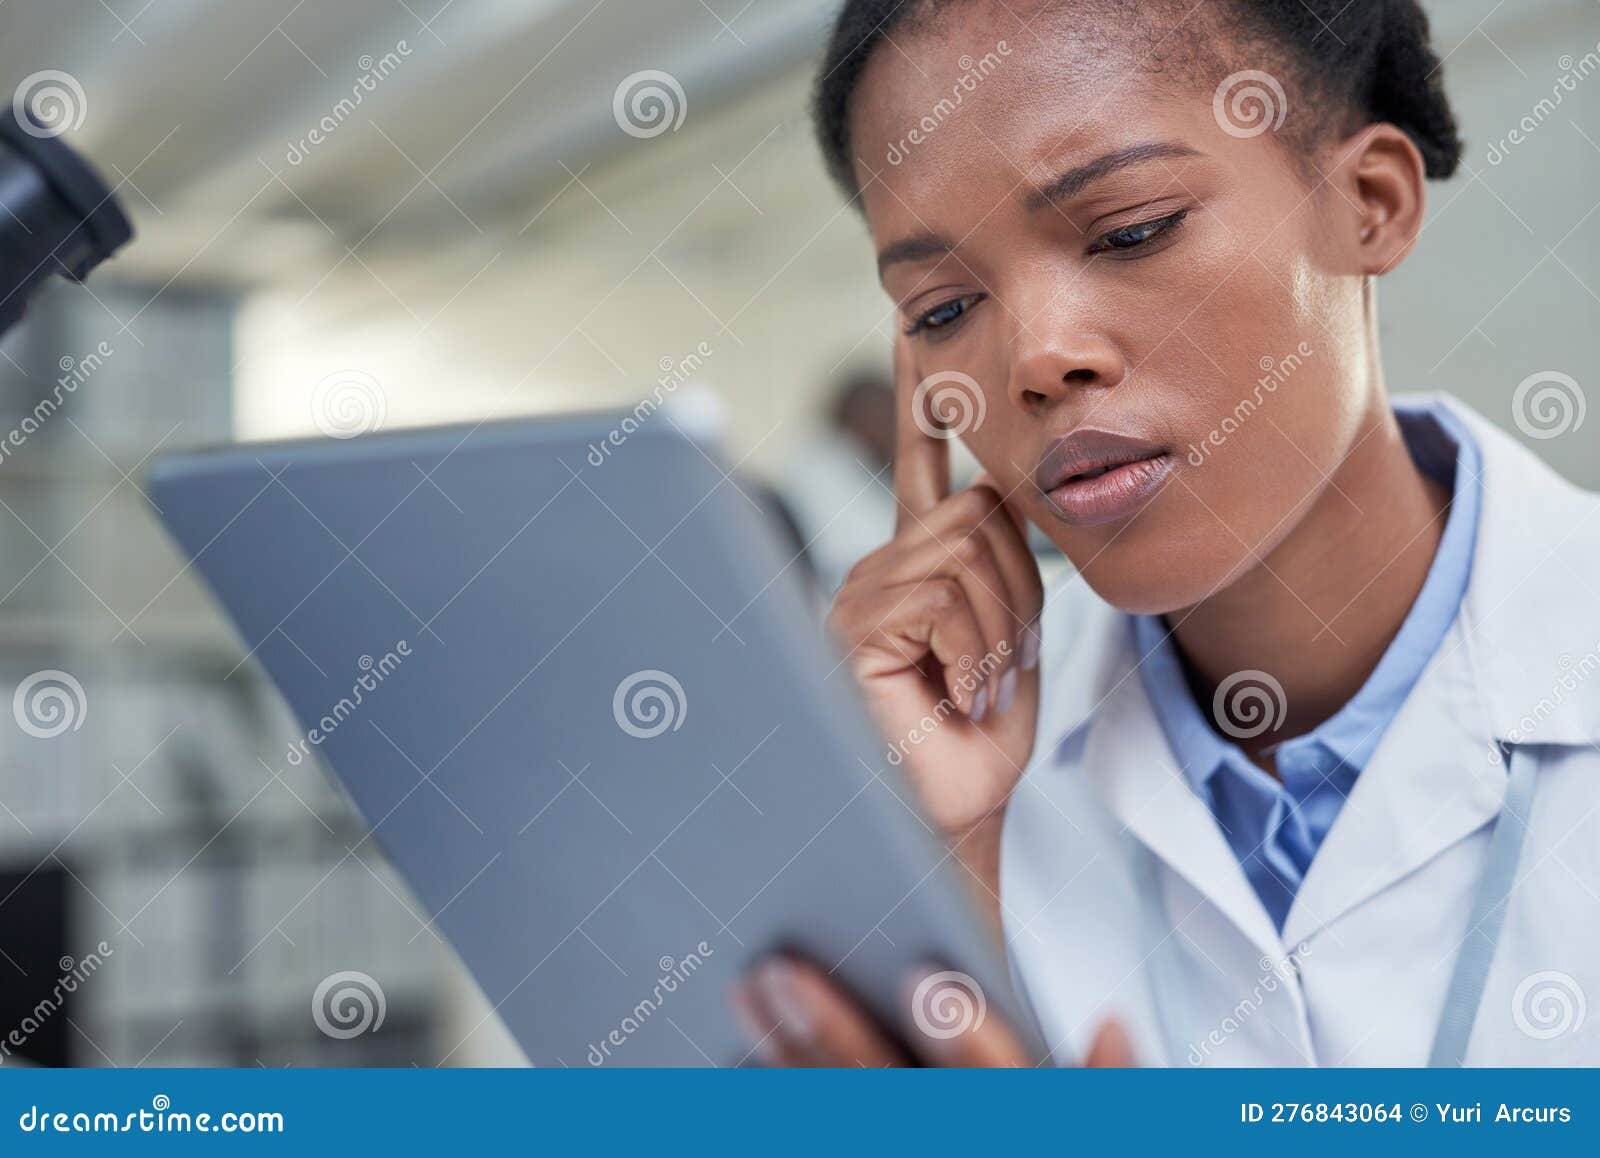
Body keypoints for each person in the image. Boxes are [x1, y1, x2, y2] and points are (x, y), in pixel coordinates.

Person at [730, 0, 1600, 1066]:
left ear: (1367, 204)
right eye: (943, 308)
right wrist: (930, 866)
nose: (1036, 359)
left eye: (1131, 230)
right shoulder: (948, 778)